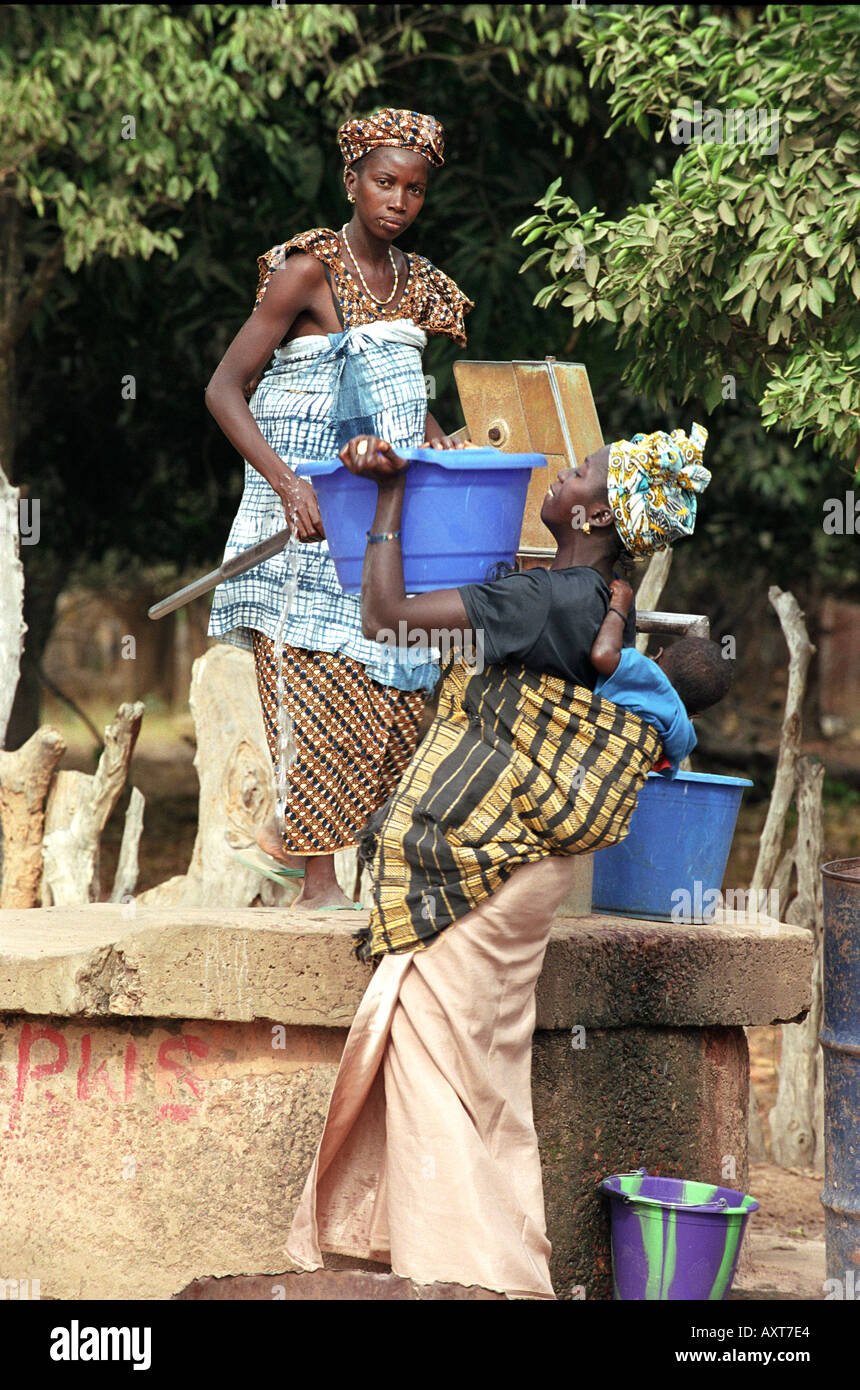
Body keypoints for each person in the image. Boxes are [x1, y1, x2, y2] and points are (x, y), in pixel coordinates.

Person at [284, 423, 714, 1297]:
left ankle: (474, 1280)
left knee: (439, 1073)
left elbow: (387, 618)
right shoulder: (594, 601)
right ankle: (511, 1268)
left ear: (595, 509)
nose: (565, 471)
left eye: (583, 470)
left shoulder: (543, 601)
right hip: (528, 866)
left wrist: (394, 499)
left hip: (486, 866)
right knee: (486, 1081)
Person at [204, 109, 473, 908]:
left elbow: (398, 398)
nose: (397, 200)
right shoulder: (307, 270)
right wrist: (288, 484)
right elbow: (223, 388)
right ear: (351, 179)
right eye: (384, 181)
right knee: (314, 693)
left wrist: (442, 447)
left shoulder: (421, 284)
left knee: (398, 688)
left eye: (414, 189)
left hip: (381, 512)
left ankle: (289, 843)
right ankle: (320, 882)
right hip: (300, 516)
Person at [590, 576, 733, 777]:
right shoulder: (680, 737)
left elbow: (602, 655)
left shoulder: (648, 676)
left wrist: (619, 608)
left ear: (656, 656)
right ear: (693, 715)